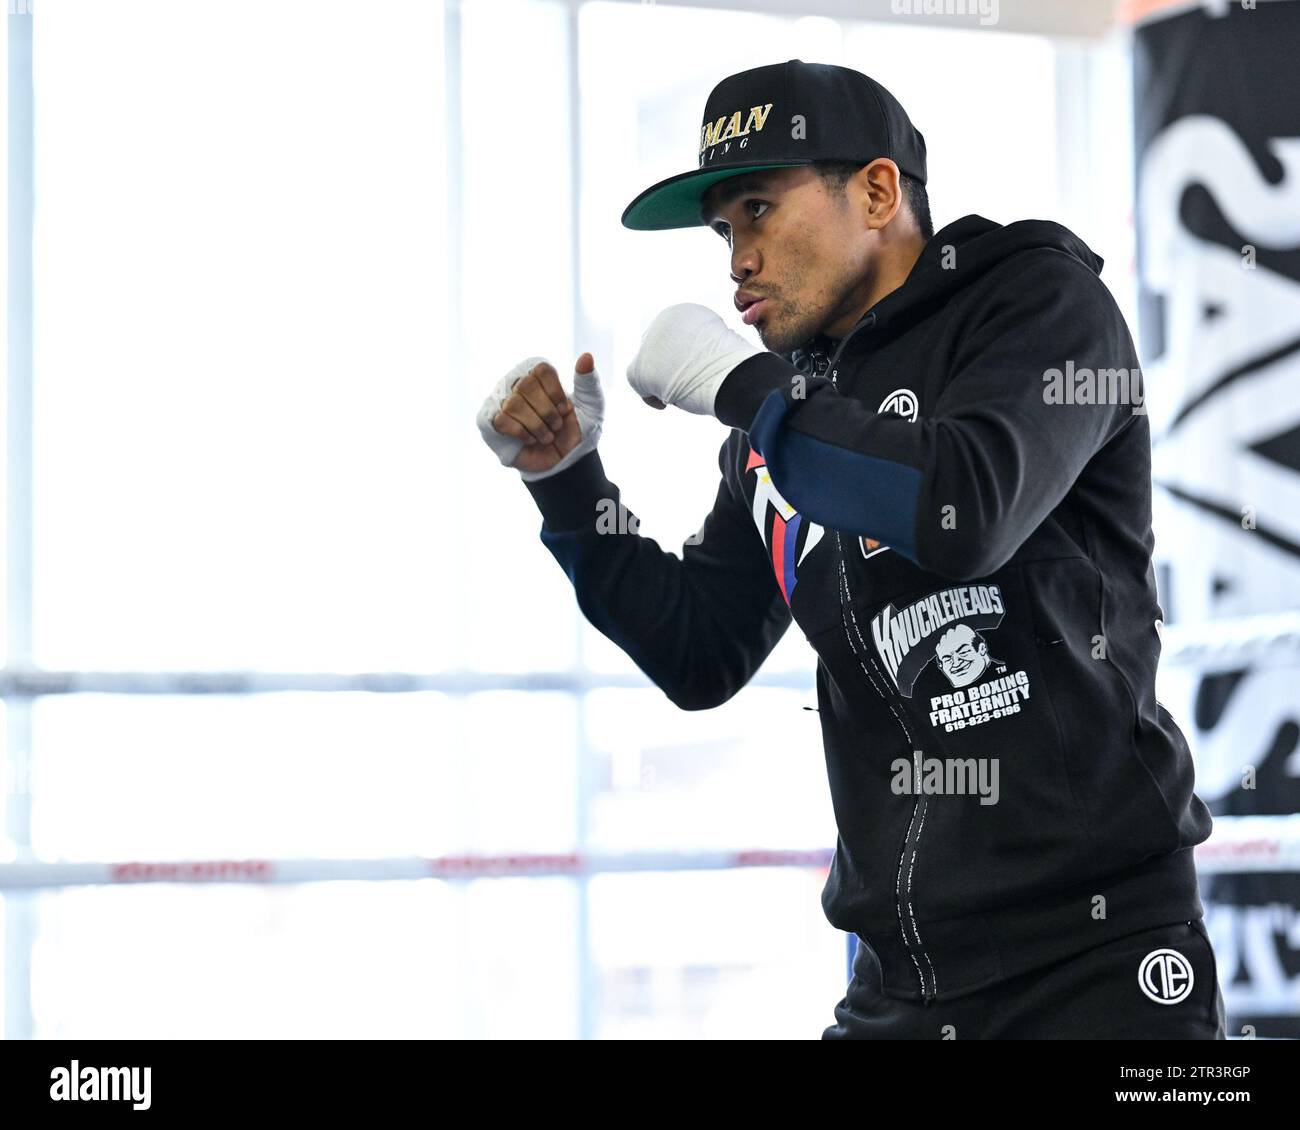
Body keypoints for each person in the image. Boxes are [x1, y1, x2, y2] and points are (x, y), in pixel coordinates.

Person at [475, 59, 1225, 1039]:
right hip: (898, 983)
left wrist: (747, 393)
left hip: (1096, 969)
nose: (736, 259)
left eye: (757, 208)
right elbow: (702, 650)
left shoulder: (1039, 306)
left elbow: (963, 505)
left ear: (875, 191)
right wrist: (567, 481)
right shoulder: (786, 417)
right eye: (723, 230)